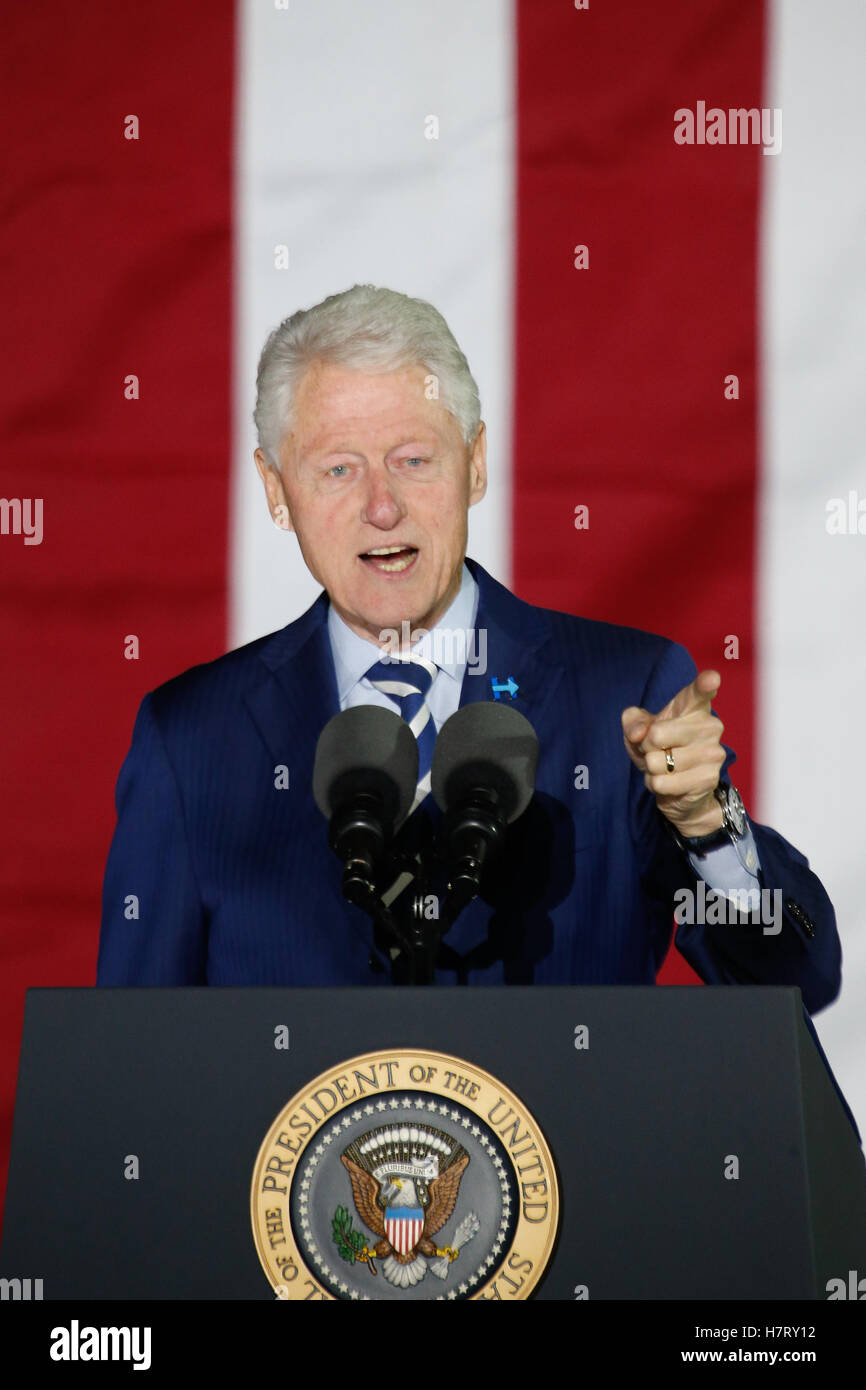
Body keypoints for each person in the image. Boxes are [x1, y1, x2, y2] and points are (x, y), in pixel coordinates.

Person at [96, 284, 840, 1014]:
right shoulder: (192, 740)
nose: (381, 506)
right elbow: (128, 1063)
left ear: (474, 463)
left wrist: (710, 828)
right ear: (276, 490)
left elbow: (798, 979)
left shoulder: (625, 694)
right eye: (337, 469)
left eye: (413, 460)